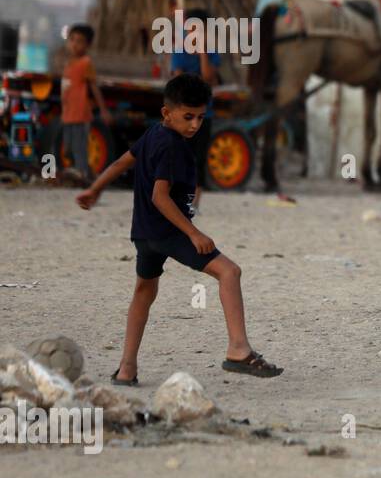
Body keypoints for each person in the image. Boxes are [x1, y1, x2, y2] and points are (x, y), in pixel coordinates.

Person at [75, 73, 283, 385]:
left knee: (144, 292)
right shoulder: (172, 147)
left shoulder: (153, 134)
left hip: (143, 235)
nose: (195, 125)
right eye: (188, 117)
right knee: (229, 272)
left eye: (201, 117)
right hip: (168, 234)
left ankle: (127, 369)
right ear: (167, 113)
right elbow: (160, 197)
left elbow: (120, 163)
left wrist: (95, 189)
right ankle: (238, 350)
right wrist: (193, 233)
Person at [169, 7, 221, 210]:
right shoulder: (180, 50)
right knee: (179, 155)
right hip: (183, 114)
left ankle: (194, 202)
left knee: (197, 158)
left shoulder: (211, 52)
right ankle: (176, 199)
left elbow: (208, 77)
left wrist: (202, 53)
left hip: (203, 115)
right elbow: (178, 81)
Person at [59, 23, 109, 183]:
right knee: (67, 149)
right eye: (72, 39)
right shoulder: (68, 64)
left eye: (79, 41)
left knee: (80, 148)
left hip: (81, 114)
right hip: (68, 114)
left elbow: (93, 87)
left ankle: (82, 176)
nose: (74, 44)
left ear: (87, 45)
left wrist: (103, 110)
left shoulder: (86, 63)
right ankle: (90, 174)